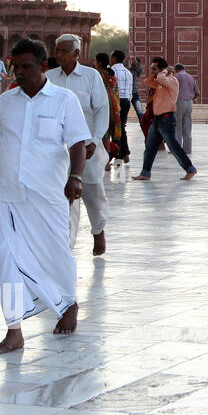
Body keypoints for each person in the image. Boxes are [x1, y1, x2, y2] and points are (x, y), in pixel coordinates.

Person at [0, 38, 91, 355]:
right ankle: (13, 330)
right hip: (8, 194)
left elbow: (77, 143)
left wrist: (75, 176)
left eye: (26, 67)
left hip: (47, 194)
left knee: (55, 252)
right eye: (14, 67)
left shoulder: (63, 100)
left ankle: (67, 302)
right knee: (6, 260)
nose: (18, 73)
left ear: (44, 67)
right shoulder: (6, 101)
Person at [45, 35, 110, 255]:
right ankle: (66, 245)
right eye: (58, 51)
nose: (60, 55)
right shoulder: (50, 77)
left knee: (93, 194)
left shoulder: (91, 76)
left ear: (76, 54)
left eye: (65, 51)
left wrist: (94, 141)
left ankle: (98, 230)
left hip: (88, 148)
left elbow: (102, 110)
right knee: (66, 196)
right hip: (60, 150)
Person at [132, 57, 197, 181]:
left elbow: (161, 78)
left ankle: (190, 169)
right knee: (150, 147)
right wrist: (155, 73)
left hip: (166, 119)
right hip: (157, 120)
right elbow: (147, 81)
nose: (152, 71)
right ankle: (145, 173)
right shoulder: (160, 83)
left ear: (162, 69)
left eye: (154, 68)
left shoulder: (172, 80)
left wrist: (164, 71)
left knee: (173, 147)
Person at [95, 52, 123, 171]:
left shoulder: (99, 75)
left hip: (103, 107)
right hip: (113, 107)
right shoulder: (112, 76)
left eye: (96, 61)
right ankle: (105, 162)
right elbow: (116, 93)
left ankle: (103, 162)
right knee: (107, 137)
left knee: (100, 136)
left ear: (99, 63)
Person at [108, 50, 133, 164]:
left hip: (116, 101)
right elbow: (130, 90)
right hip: (126, 101)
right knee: (121, 126)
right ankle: (125, 153)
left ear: (114, 58)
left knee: (115, 128)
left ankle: (118, 154)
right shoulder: (128, 72)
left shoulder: (111, 70)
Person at [172, 63, 199, 154]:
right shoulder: (191, 77)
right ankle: (187, 149)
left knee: (177, 125)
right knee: (187, 126)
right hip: (189, 102)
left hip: (179, 101)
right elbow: (197, 93)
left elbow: (172, 90)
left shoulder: (176, 76)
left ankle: (177, 149)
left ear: (176, 70)